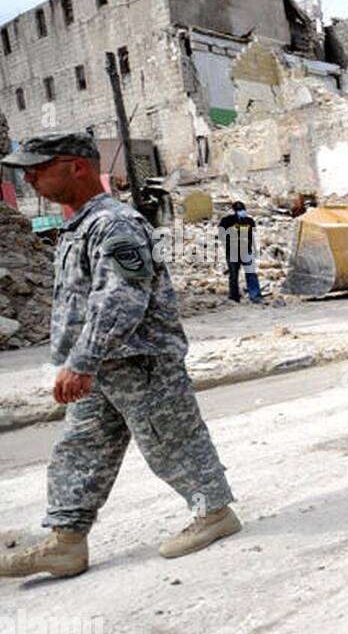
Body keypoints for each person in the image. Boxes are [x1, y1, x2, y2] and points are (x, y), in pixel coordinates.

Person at [0, 133, 241, 581]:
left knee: (171, 440)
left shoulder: (116, 224)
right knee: (80, 448)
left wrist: (82, 361)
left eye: (39, 168)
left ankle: (215, 513)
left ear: (77, 167)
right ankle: (66, 542)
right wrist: (82, 361)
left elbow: (121, 299)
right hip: (101, 367)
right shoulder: (82, 225)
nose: (29, 178)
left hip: (139, 362)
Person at [218, 200, 264, 303]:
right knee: (233, 275)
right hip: (233, 252)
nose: (242, 211)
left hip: (246, 251)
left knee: (251, 273)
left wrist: (255, 250)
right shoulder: (227, 221)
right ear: (234, 211)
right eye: (239, 210)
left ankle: (255, 296)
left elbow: (251, 236)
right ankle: (233, 297)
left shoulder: (249, 221)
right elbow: (221, 235)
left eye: (243, 209)